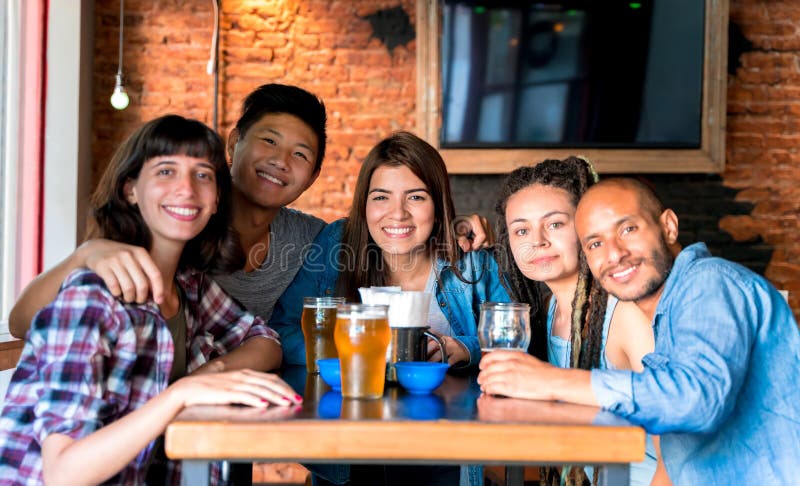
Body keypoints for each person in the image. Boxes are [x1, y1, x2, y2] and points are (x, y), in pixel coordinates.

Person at [8, 83, 491, 337]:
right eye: (269, 141)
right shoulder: (180, 225)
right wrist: (87, 253)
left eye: (301, 155)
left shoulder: (311, 240)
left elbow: (265, 338)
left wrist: (454, 226)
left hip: (215, 404)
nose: (281, 163)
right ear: (235, 144)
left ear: (314, 175)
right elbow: (23, 321)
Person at [0, 115, 301, 485]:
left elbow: (265, 340)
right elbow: (64, 474)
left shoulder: (189, 285)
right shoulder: (93, 297)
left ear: (217, 198)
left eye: (203, 174)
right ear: (130, 189)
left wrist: (213, 374)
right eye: (165, 171)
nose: (187, 189)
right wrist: (180, 395)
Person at [482, 177, 800, 484]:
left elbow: (696, 401)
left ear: (669, 226)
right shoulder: (669, 310)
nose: (615, 254)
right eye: (595, 243)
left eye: (628, 229)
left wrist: (550, 381)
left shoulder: (710, 281)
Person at [270, 131, 509, 486]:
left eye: (416, 196)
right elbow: (284, 329)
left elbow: (510, 340)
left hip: (446, 452)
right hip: (349, 454)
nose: (397, 213)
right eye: (381, 197)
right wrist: (355, 355)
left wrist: (462, 348)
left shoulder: (470, 259)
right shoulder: (336, 245)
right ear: (364, 204)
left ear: (438, 202)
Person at [482, 158, 665, 485]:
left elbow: (675, 452)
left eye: (554, 224)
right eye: (521, 230)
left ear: (586, 228)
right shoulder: (551, 310)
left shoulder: (625, 314)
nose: (537, 241)